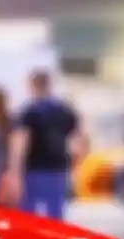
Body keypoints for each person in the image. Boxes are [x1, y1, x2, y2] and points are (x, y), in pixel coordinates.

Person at [5, 70, 87, 220]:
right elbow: (80, 138)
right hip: (58, 169)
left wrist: (14, 170)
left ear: (32, 86)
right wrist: (77, 163)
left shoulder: (29, 112)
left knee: (28, 214)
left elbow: (21, 142)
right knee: (55, 214)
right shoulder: (64, 110)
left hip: (34, 169)